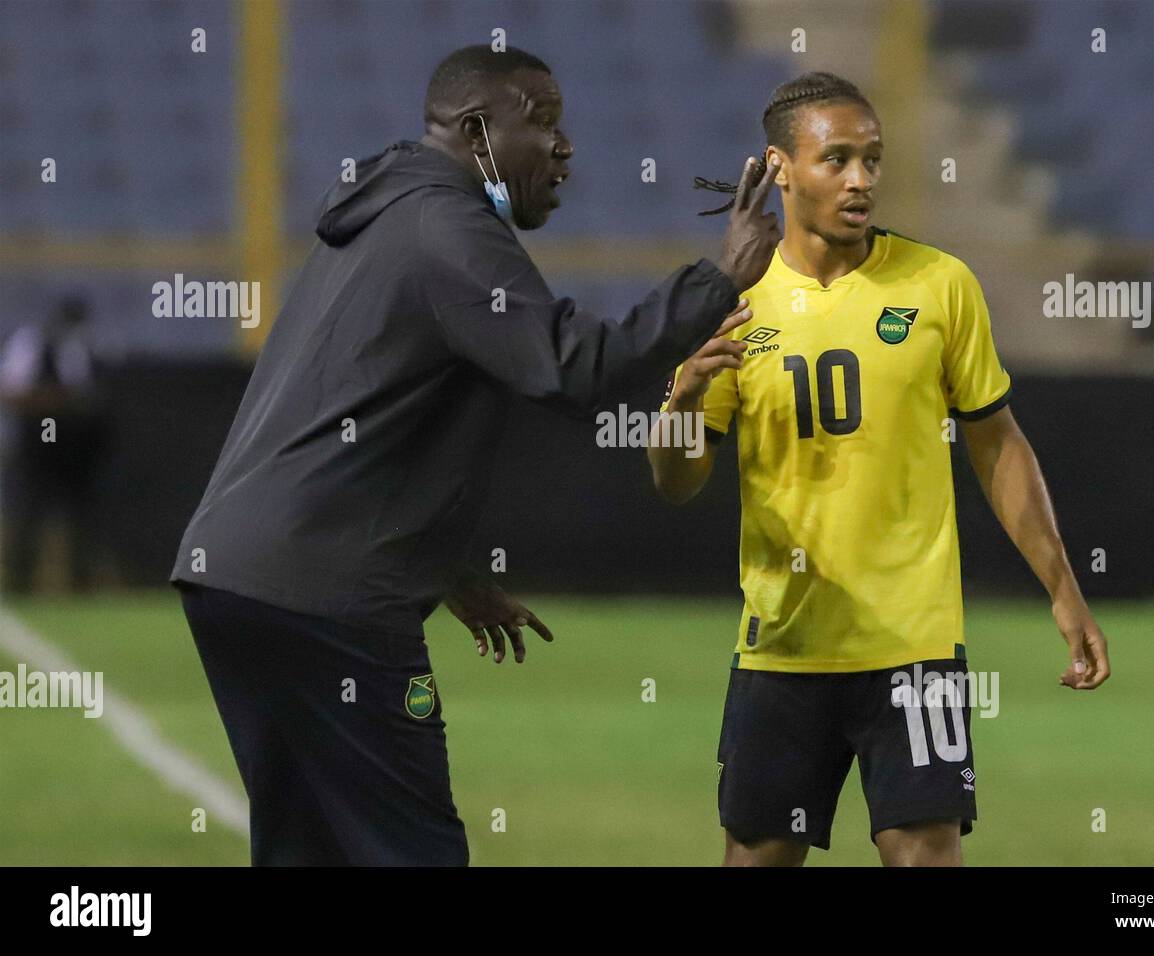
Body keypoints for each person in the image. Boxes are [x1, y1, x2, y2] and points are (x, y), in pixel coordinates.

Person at [171, 45, 780, 866]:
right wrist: (720, 279)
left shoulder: (389, 216)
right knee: (415, 851)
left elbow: (365, 411)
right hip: (328, 597)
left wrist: (446, 570)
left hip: (240, 580)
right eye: (543, 122)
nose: (564, 146)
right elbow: (570, 368)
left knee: (309, 851)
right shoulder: (447, 225)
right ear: (475, 131)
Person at [649, 72, 1110, 867]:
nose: (860, 179)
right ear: (781, 167)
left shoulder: (940, 286)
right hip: (783, 643)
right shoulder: (731, 301)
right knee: (755, 858)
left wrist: (1064, 591)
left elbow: (997, 444)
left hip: (916, 645)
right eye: (836, 160)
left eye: (872, 159)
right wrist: (683, 401)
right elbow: (677, 481)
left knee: (927, 854)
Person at [0, 294, 105, 593]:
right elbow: (12, 390)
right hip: (43, 434)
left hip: (77, 443)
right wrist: (56, 401)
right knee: (29, 508)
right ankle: (20, 582)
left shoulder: (89, 345)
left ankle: (81, 582)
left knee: (79, 511)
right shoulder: (33, 341)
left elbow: (93, 392)